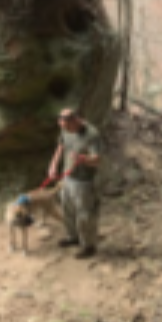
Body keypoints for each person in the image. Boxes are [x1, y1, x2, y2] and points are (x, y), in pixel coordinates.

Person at [48, 108, 103, 259]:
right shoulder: (66, 130)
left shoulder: (92, 135)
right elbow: (61, 146)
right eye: (62, 127)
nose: (65, 130)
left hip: (84, 181)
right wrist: (53, 165)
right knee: (67, 209)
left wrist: (84, 159)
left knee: (84, 214)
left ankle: (88, 245)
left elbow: (97, 159)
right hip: (67, 178)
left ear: (75, 120)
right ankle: (73, 237)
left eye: (67, 127)